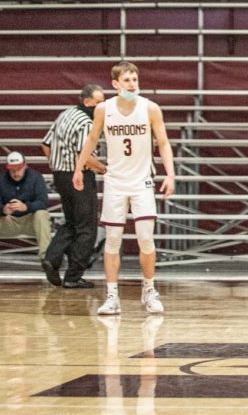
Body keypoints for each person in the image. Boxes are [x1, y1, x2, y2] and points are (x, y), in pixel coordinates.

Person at [73, 60, 177, 316]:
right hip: (115, 181)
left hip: (142, 181)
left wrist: (170, 174)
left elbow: (163, 143)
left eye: (135, 79)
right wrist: (78, 168)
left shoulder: (150, 108)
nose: (132, 84)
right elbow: (92, 139)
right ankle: (112, 296)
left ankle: (149, 290)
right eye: (127, 80)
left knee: (146, 239)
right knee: (112, 240)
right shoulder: (103, 109)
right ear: (116, 84)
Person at [42, 84, 107, 289]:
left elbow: (45, 144)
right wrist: (105, 169)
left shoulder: (65, 114)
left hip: (60, 174)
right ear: (87, 102)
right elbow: (84, 156)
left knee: (71, 222)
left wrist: (57, 165)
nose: (102, 107)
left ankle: (51, 258)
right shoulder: (87, 123)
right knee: (87, 227)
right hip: (79, 176)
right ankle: (73, 275)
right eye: (99, 103)